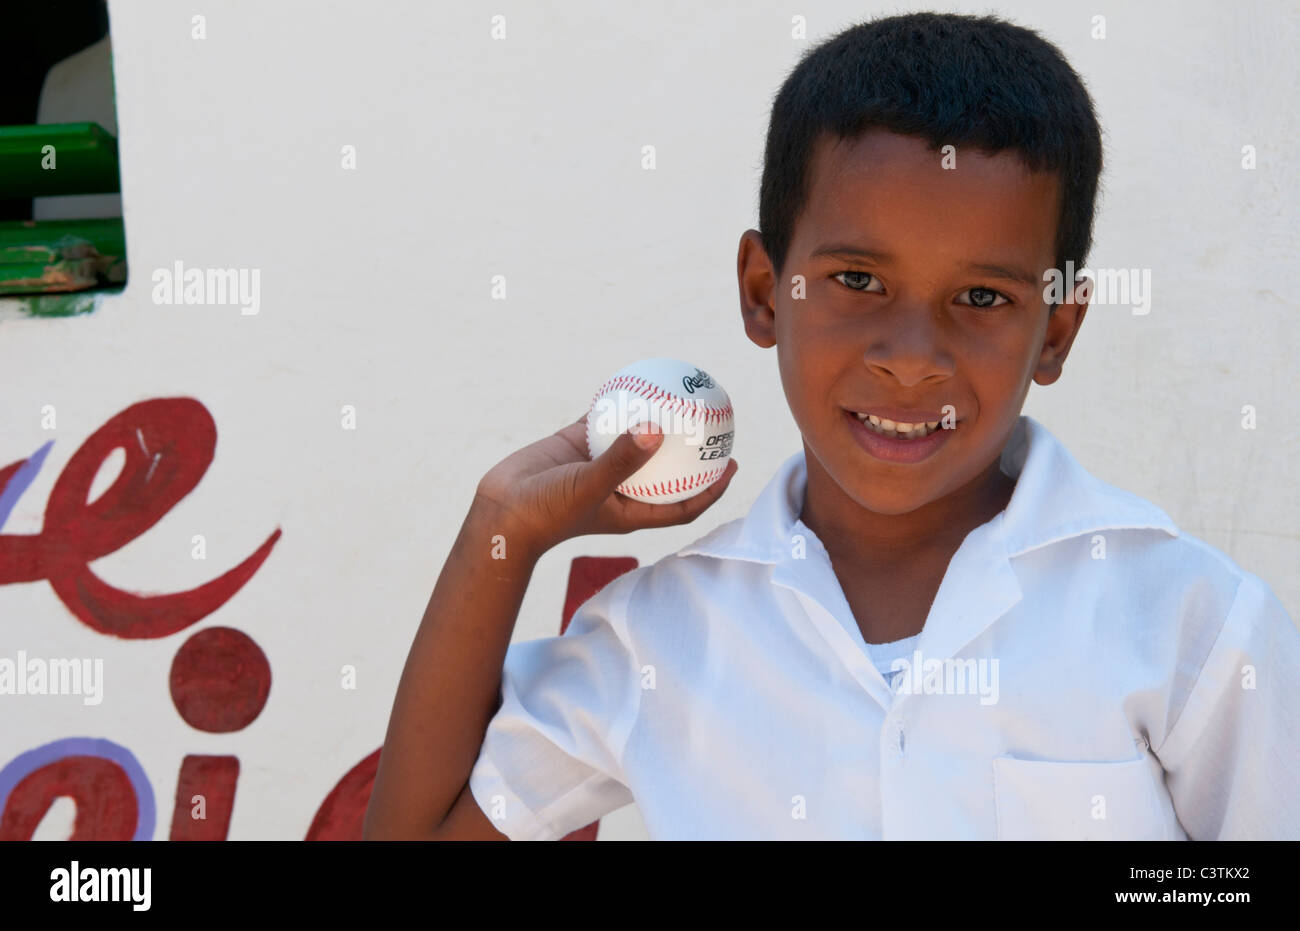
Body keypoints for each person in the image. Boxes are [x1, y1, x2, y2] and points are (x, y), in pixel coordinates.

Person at [363, 11, 1299, 840]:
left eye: (981, 296)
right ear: (765, 292)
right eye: (858, 281)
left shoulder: (1186, 618)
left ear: (1055, 330)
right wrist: (501, 534)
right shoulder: (664, 639)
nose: (910, 354)